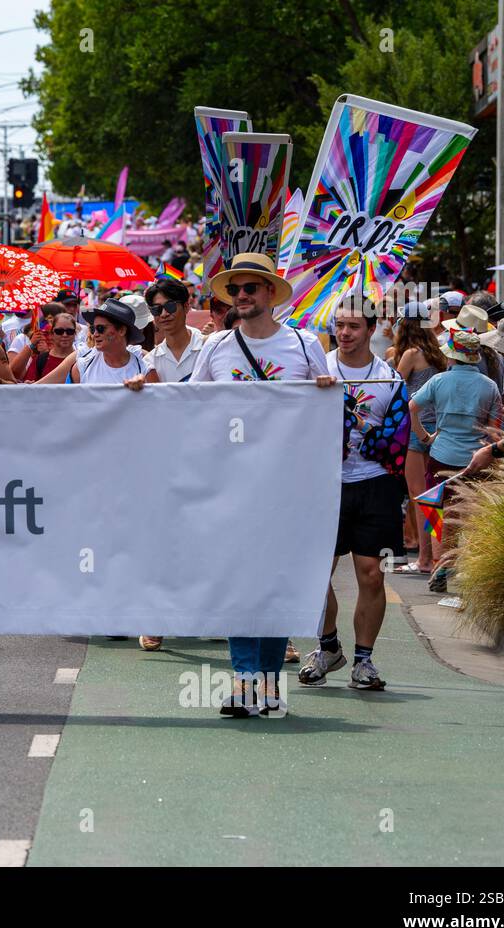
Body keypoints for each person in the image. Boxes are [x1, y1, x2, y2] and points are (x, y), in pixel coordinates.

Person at [190, 252, 338, 714]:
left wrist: (327, 390)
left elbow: (327, 413)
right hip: (230, 485)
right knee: (237, 580)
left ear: (271, 293)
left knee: (275, 582)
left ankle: (270, 682)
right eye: (235, 289)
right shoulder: (215, 348)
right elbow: (188, 406)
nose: (241, 296)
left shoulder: (304, 343)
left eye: (250, 288)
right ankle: (242, 679)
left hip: (287, 488)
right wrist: (142, 388)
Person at [299, 302, 408, 693]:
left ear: (371, 330)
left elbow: (395, 448)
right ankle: (328, 646)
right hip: (325, 485)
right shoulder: (318, 369)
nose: (345, 333)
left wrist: (357, 422)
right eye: (339, 325)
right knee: (314, 575)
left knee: (372, 576)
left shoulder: (389, 379)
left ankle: (364, 660)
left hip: (375, 486)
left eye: (353, 326)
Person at [408, 329, 503, 598]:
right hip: (476, 459)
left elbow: (411, 407)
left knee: (438, 510)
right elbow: (495, 427)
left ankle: (441, 563)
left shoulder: (439, 381)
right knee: (471, 516)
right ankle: (466, 568)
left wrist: (425, 436)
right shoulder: (489, 386)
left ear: (451, 356)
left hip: (441, 456)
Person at [392, 301, 447, 576]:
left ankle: (425, 559)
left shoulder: (410, 354)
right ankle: (435, 557)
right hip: (437, 428)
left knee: (417, 495)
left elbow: (395, 388)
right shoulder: (437, 352)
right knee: (433, 494)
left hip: (415, 428)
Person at [35, 298, 155, 385]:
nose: (95, 334)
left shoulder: (145, 369)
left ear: (122, 330)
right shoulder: (82, 366)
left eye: (101, 328)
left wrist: (143, 391)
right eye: (93, 328)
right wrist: (26, 389)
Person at [142, 278, 204, 384]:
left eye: (170, 306)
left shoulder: (208, 347)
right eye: (157, 309)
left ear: (186, 307)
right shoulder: (150, 362)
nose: (164, 314)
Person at [22, 308, 78, 383]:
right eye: (59, 331)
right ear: (52, 334)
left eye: (69, 331)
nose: (65, 335)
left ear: (75, 334)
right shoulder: (41, 360)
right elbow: (31, 386)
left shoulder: (81, 359)